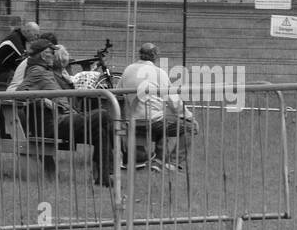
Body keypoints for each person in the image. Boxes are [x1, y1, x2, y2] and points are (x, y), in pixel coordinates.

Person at [18, 38, 119, 186]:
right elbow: (19, 93)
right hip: (54, 123)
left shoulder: (45, 71)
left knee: (101, 132)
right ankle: (120, 158)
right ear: (42, 55)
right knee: (103, 114)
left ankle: (104, 177)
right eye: (50, 52)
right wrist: (41, 100)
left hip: (65, 118)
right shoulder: (36, 71)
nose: (54, 55)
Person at [120, 42, 197, 171]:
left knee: (164, 122)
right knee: (189, 127)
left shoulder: (127, 70)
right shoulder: (159, 73)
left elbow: (119, 94)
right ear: (155, 56)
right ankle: (171, 163)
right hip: (153, 121)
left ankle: (148, 160)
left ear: (140, 54)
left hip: (132, 121)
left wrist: (123, 118)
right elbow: (174, 101)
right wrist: (189, 117)